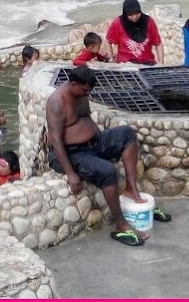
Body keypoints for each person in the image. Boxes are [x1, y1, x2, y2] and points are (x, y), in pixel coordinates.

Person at [45, 66, 150, 246]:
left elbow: (85, 118)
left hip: (94, 144)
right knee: (108, 171)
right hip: (71, 153)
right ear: (73, 83)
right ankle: (121, 223)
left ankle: (131, 187)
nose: (88, 93)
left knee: (127, 134)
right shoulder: (57, 101)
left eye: (90, 90)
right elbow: (55, 139)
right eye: (85, 89)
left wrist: (99, 141)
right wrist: (70, 173)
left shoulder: (82, 94)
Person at [105, 0, 162, 65]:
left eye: (137, 13)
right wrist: (112, 60)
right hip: (125, 64)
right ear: (125, 14)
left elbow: (158, 43)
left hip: (147, 62)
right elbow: (108, 41)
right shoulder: (118, 23)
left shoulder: (149, 21)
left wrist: (161, 63)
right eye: (131, 15)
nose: (135, 17)